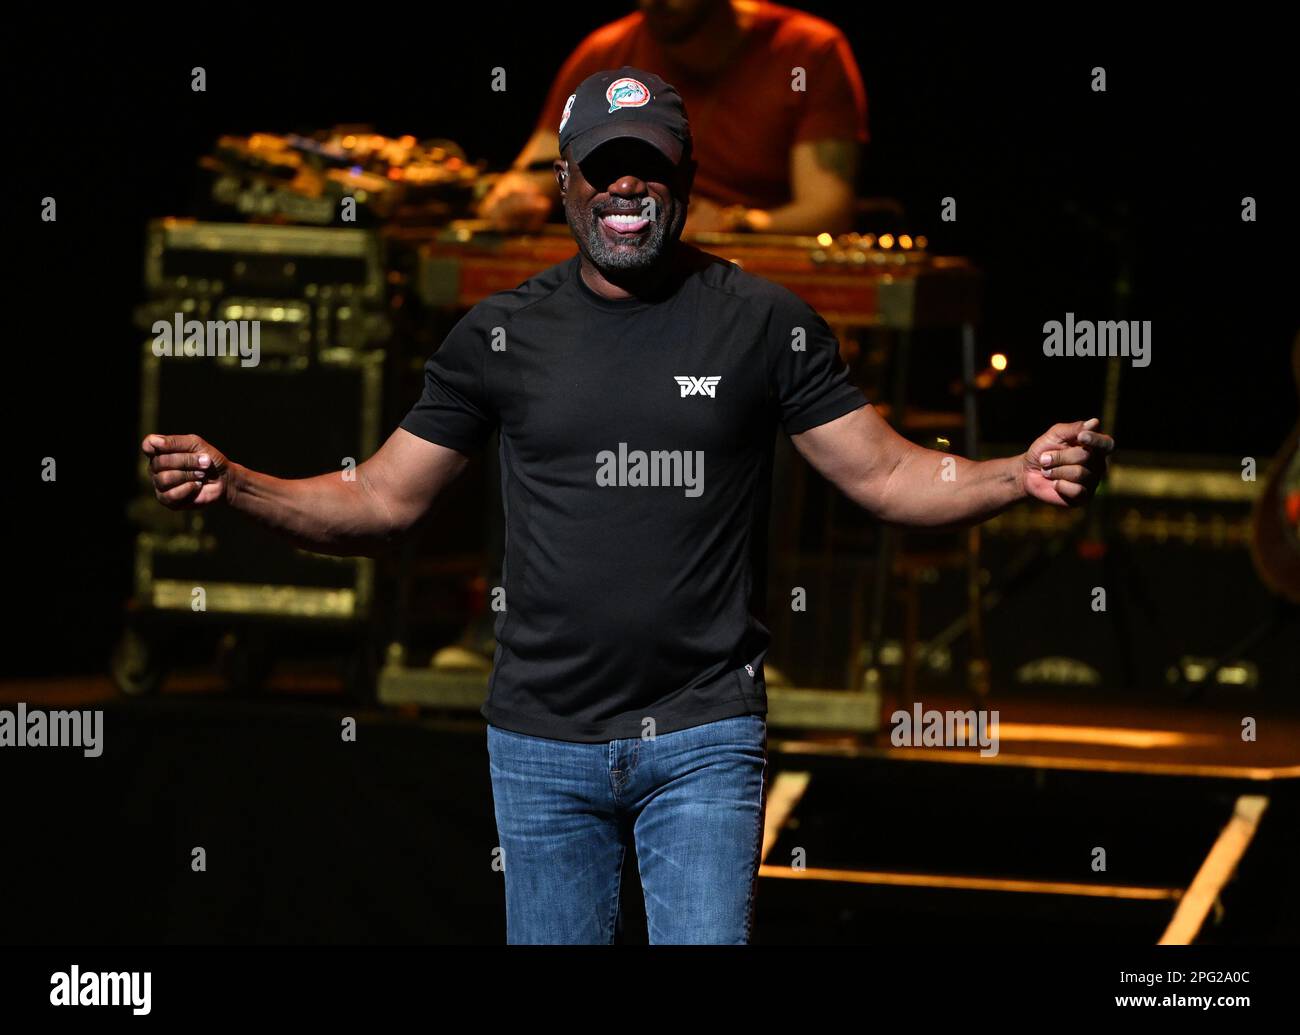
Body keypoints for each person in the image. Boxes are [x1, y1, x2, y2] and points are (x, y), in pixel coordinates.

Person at [142, 67, 1114, 944]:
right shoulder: (499, 335)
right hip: (540, 742)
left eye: (646, 167)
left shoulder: (764, 322)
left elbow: (887, 475)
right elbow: (385, 500)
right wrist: (239, 485)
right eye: (600, 168)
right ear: (564, 180)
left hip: (700, 737)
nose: (623, 187)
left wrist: (1010, 475)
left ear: (685, 179)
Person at [479, 0, 868, 234]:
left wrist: (734, 223)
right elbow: (535, 169)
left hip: (751, 286)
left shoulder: (810, 51)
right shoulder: (605, 51)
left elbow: (827, 211)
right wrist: (514, 196)